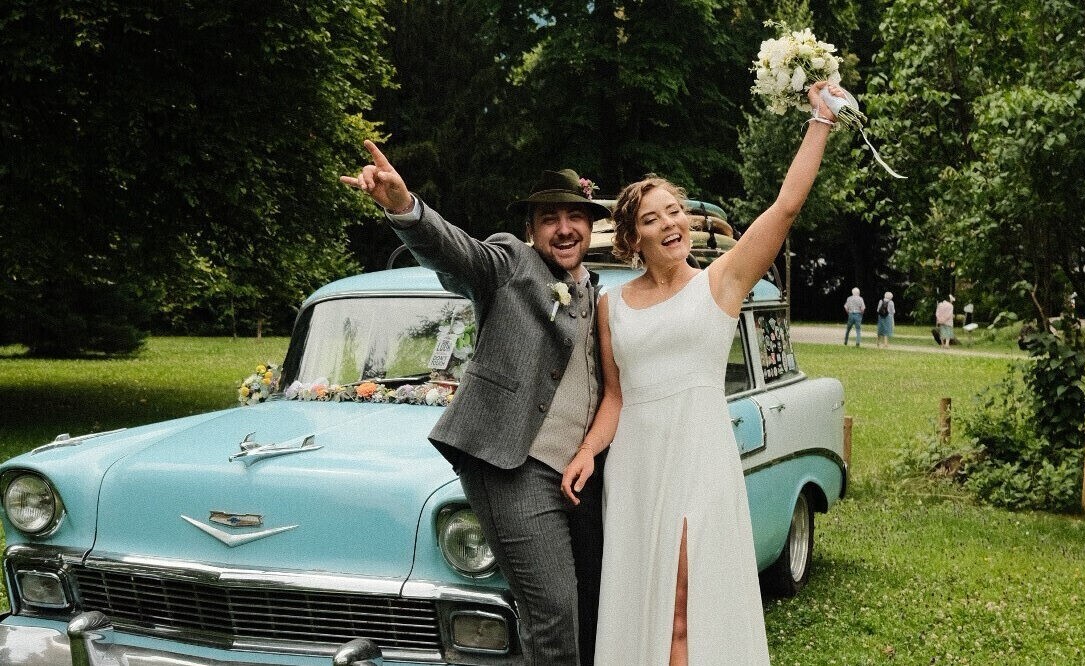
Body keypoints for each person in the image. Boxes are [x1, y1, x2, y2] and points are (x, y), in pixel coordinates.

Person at [561, 80, 841, 665]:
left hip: (699, 456)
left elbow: (785, 206)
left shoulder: (722, 282)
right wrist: (588, 452)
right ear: (633, 239)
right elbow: (615, 397)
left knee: (686, 603)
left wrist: (820, 121)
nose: (671, 222)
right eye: (653, 218)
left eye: (676, 211)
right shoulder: (612, 304)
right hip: (637, 467)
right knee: (643, 604)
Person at [341, 143, 610, 665]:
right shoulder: (511, 263)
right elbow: (458, 253)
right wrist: (404, 208)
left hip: (577, 474)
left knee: (585, 605)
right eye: (549, 218)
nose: (564, 229)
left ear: (589, 226)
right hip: (511, 463)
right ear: (531, 229)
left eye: (574, 216)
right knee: (551, 610)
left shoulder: (594, 292)